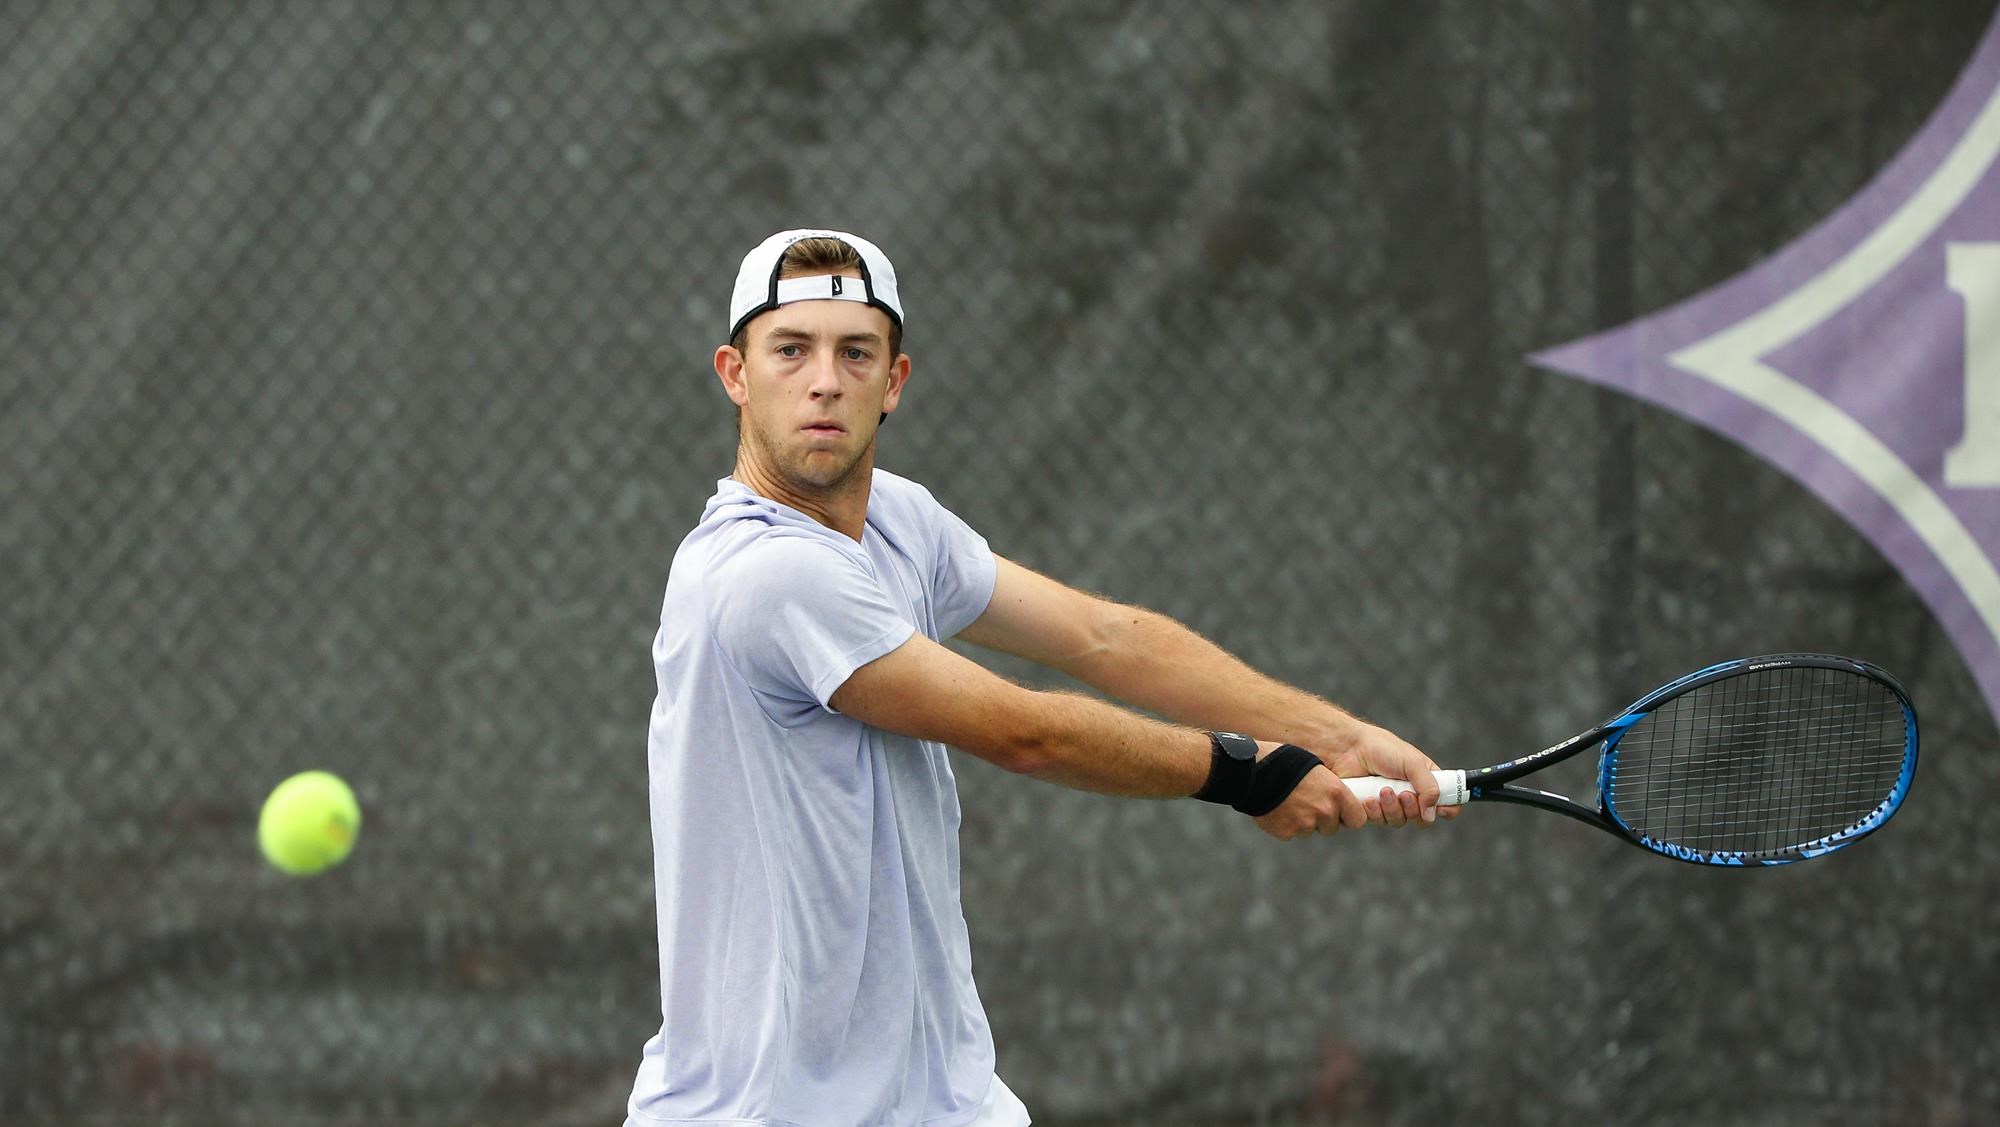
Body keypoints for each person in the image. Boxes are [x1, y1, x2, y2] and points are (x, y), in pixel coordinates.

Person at [623, 229, 1456, 1127]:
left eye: (855, 351)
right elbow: (1026, 732)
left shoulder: (899, 521)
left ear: (894, 380)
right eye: (791, 349)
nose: (824, 378)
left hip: (938, 1100)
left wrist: (1335, 735)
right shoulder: (764, 574)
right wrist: (1248, 770)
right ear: (735, 374)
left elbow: (1100, 637)